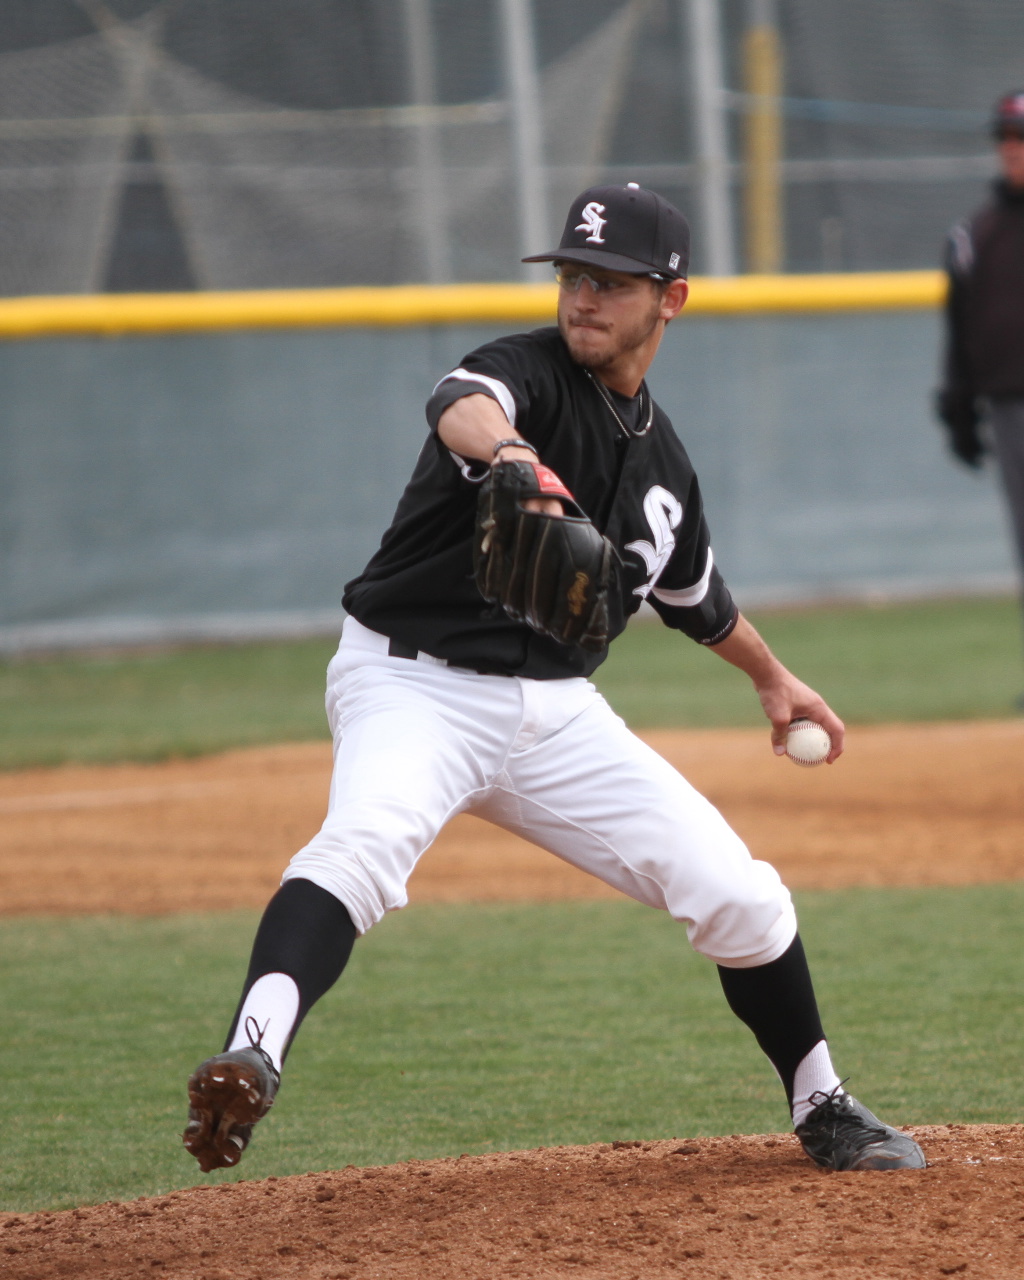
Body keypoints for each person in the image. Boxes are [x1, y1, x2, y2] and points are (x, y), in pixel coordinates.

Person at [183, 183, 925, 1175]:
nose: (584, 297)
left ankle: (823, 1102)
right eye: (575, 275)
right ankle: (251, 1052)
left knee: (738, 893)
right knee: (362, 846)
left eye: (612, 282)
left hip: (556, 713)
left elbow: (692, 593)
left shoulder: (663, 465)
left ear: (671, 299)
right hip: (415, 685)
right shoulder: (520, 375)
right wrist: (515, 459)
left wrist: (772, 677)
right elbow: (459, 404)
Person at [937, 90, 1024, 695]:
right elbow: (960, 329)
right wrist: (959, 408)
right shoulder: (975, 235)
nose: (1015, 150)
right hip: (1012, 405)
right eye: (1008, 139)